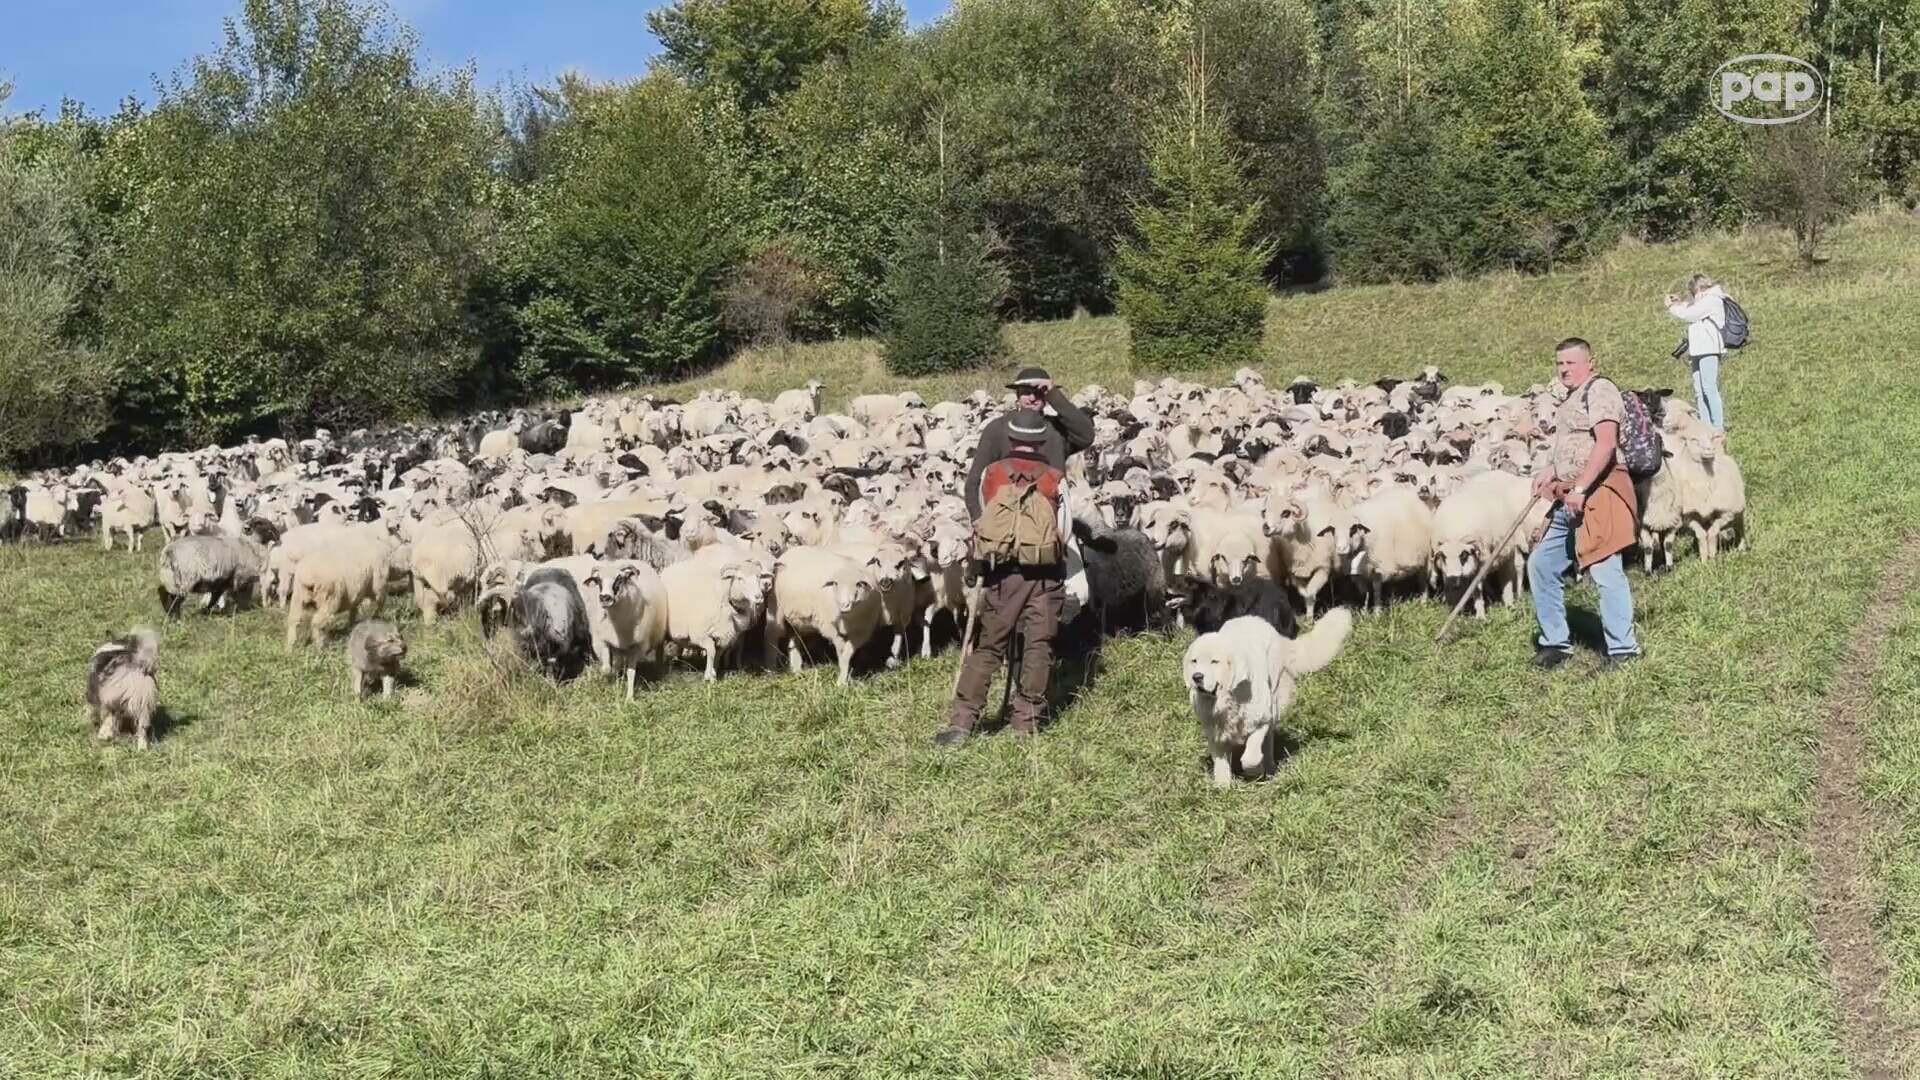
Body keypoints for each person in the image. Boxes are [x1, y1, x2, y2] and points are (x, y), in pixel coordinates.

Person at [933, 367, 1095, 747]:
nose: (1031, 396)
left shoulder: (1043, 434)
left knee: (995, 641)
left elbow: (1085, 434)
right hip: (1039, 562)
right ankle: (1025, 723)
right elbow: (1063, 522)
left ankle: (964, 722)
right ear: (1016, 394)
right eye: (1026, 390)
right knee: (1036, 643)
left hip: (1012, 564)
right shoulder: (1016, 437)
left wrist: (982, 529)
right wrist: (983, 523)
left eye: (1038, 391)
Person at [1527, 338, 1640, 669]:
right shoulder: (1571, 397)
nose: (1564, 369)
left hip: (1597, 492)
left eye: (1571, 363)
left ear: (1590, 363)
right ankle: (1555, 643)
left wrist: (1580, 487)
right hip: (1568, 498)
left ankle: (1624, 650)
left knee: (1605, 568)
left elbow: (1605, 444)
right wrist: (1553, 469)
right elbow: (1577, 444)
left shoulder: (1600, 389)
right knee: (1541, 564)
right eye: (1559, 363)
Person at [1665, 272, 1729, 442]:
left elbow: (1690, 314)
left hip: (1709, 349)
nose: (1693, 295)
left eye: (1693, 291)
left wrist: (1672, 307)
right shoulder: (1704, 301)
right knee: (1700, 391)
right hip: (1698, 350)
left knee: (1709, 388)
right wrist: (1680, 303)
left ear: (1699, 288)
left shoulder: (1713, 300)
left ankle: (1717, 427)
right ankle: (1705, 426)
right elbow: (1692, 309)